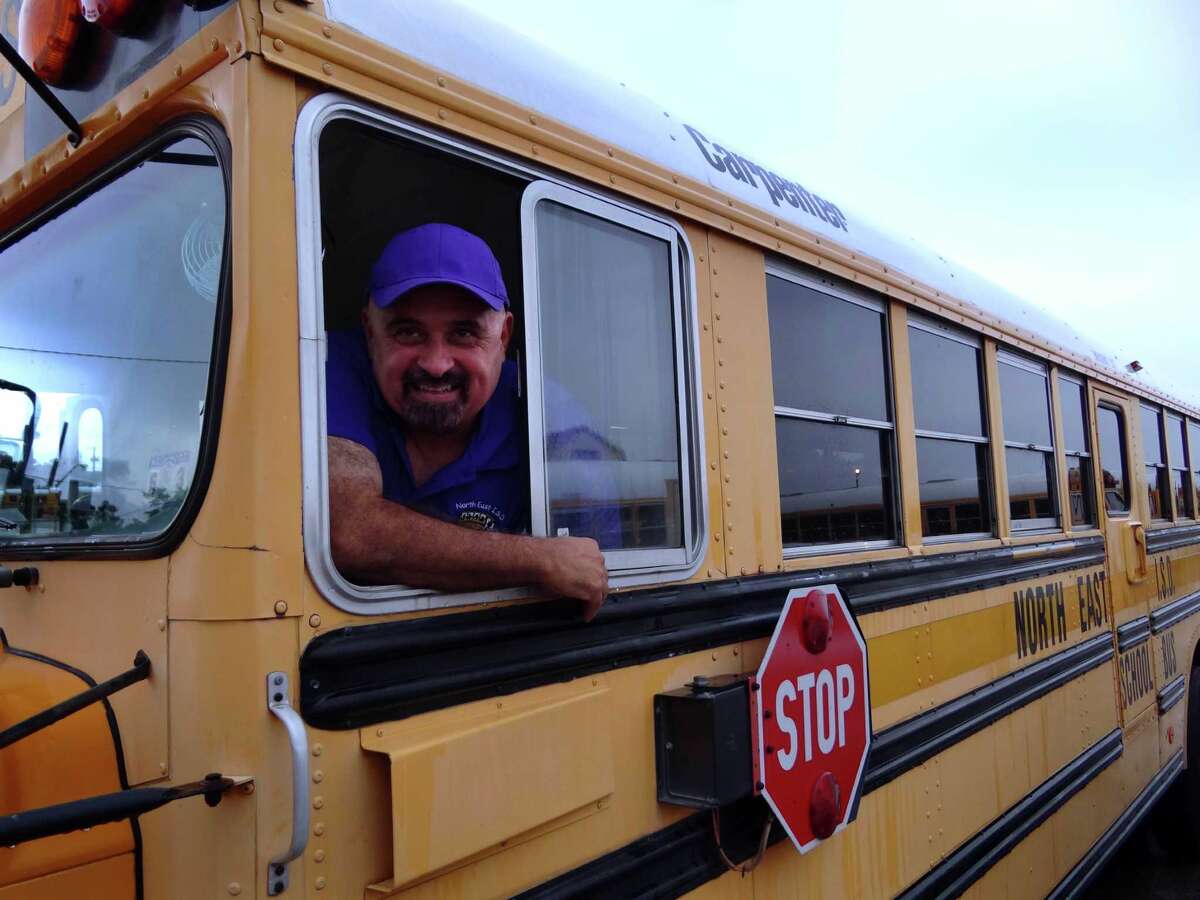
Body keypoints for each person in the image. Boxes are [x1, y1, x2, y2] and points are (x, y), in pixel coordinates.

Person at [325, 223, 609, 619]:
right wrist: (536, 559)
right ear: (370, 333)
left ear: (504, 336)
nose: (436, 364)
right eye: (408, 332)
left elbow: (591, 568)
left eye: (464, 333)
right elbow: (351, 531)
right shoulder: (330, 366)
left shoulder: (551, 414)